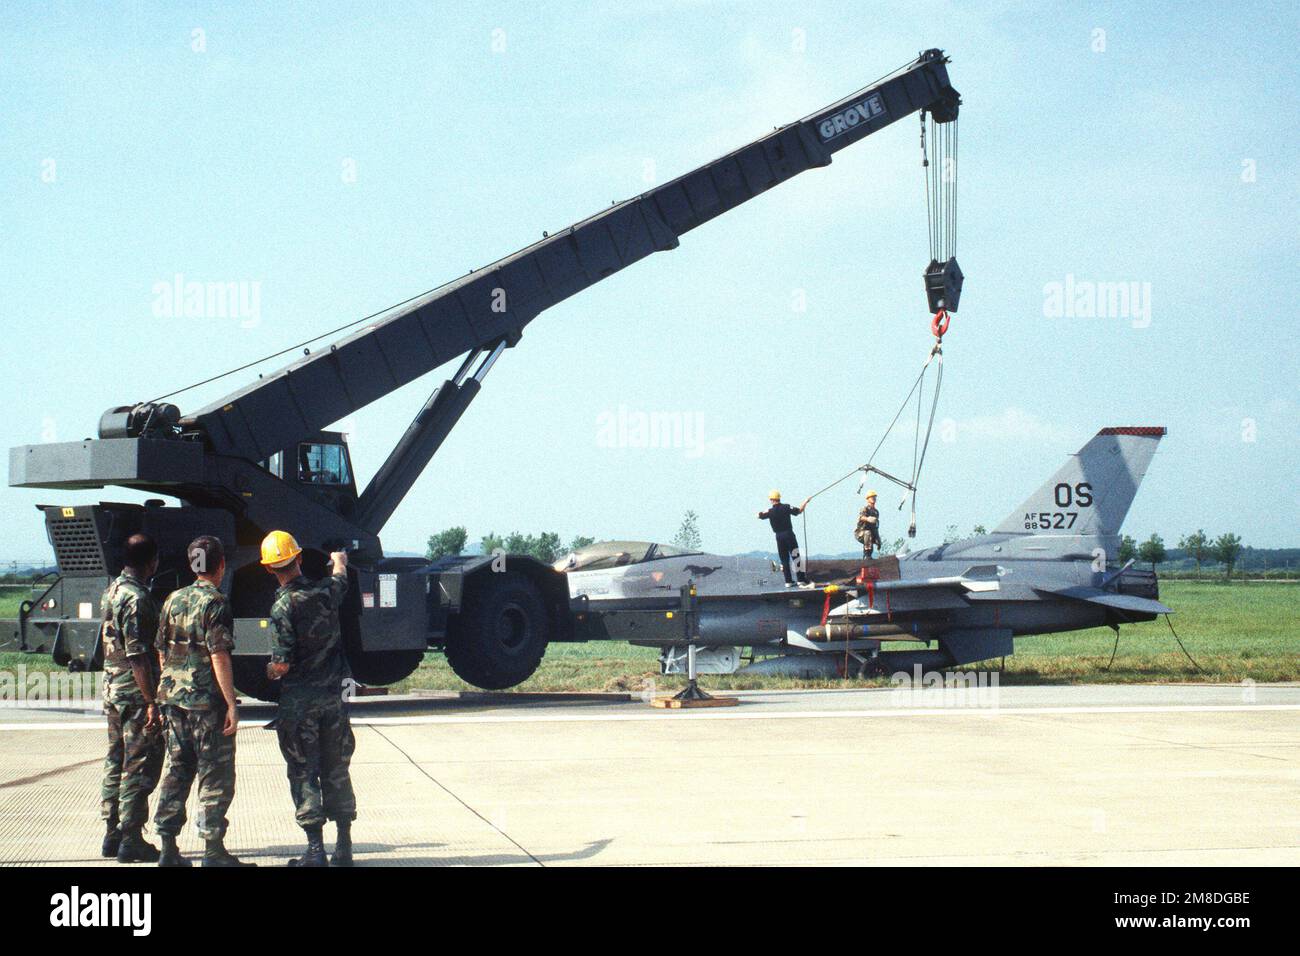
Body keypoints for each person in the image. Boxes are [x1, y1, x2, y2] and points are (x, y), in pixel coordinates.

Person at [153, 535, 254, 867]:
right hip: (205, 704)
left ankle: (168, 848)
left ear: (191, 562)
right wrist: (231, 704)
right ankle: (213, 850)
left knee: (177, 770)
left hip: (172, 699)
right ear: (221, 565)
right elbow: (219, 655)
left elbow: (160, 650)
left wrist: (169, 684)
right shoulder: (216, 602)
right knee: (215, 774)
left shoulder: (172, 599)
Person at [261, 530, 357, 867]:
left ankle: (315, 850)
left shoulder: (282, 606)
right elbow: (341, 577)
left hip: (299, 706)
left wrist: (270, 669)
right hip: (333, 700)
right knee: (337, 769)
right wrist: (339, 560)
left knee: (304, 771)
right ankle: (343, 847)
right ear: (298, 558)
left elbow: (283, 664)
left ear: (270, 569)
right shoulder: (327, 592)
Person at [98, 532, 165, 863]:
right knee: (139, 763)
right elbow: (138, 654)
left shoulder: (112, 589)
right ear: (151, 561)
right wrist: (151, 700)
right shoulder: (137, 598)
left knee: (116, 759)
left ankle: (111, 833)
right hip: (133, 691)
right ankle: (131, 837)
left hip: (112, 688)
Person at [758, 489, 811, 586]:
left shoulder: (770, 511)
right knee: (796, 556)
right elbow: (799, 511)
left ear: (771, 500)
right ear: (779, 498)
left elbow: (759, 516)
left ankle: (788, 581)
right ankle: (801, 580)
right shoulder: (786, 507)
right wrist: (806, 501)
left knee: (784, 559)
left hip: (778, 536)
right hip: (789, 534)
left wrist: (765, 511)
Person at [855, 490, 882, 558]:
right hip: (860, 533)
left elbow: (875, 527)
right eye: (871, 497)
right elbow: (861, 517)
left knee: (872, 535)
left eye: (874, 497)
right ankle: (867, 554)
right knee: (868, 533)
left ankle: (869, 556)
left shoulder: (876, 512)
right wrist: (868, 519)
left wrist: (878, 539)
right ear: (868, 499)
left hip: (871, 533)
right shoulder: (865, 509)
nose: (873, 498)